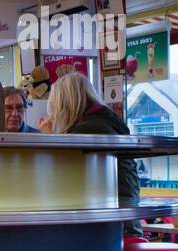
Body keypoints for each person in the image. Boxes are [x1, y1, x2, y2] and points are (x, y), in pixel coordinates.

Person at [39, 72, 140, 233]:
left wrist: (50, 137)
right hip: (123, 214)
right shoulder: (106, 120)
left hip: (112, 225)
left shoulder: (88, 130)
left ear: (65, 104)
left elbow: (62, 171)